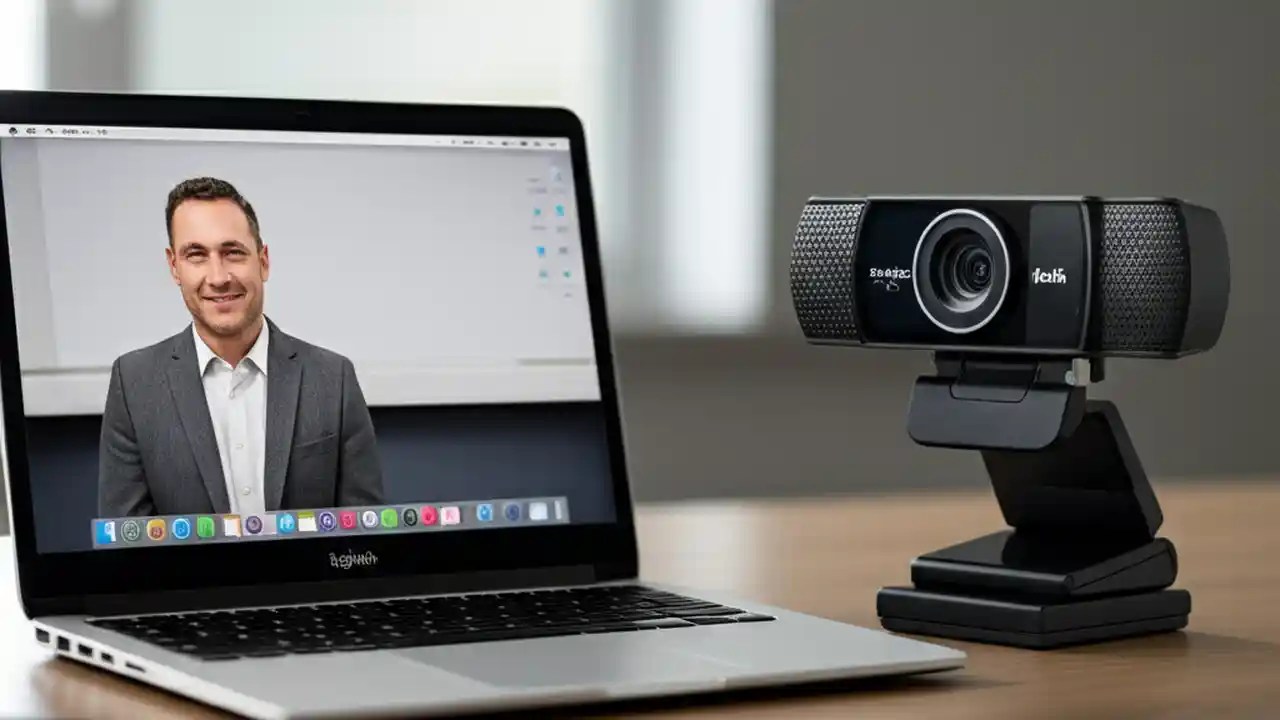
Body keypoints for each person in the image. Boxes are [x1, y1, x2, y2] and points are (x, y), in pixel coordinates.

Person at [98, 177, 384, 517]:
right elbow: (127, 538)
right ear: (174, 267)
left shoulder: (333, 378)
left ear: (263, 261)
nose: (218, 277)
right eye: (196, 255)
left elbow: (365, 529)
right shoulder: (135, 385)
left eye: (232, 252)